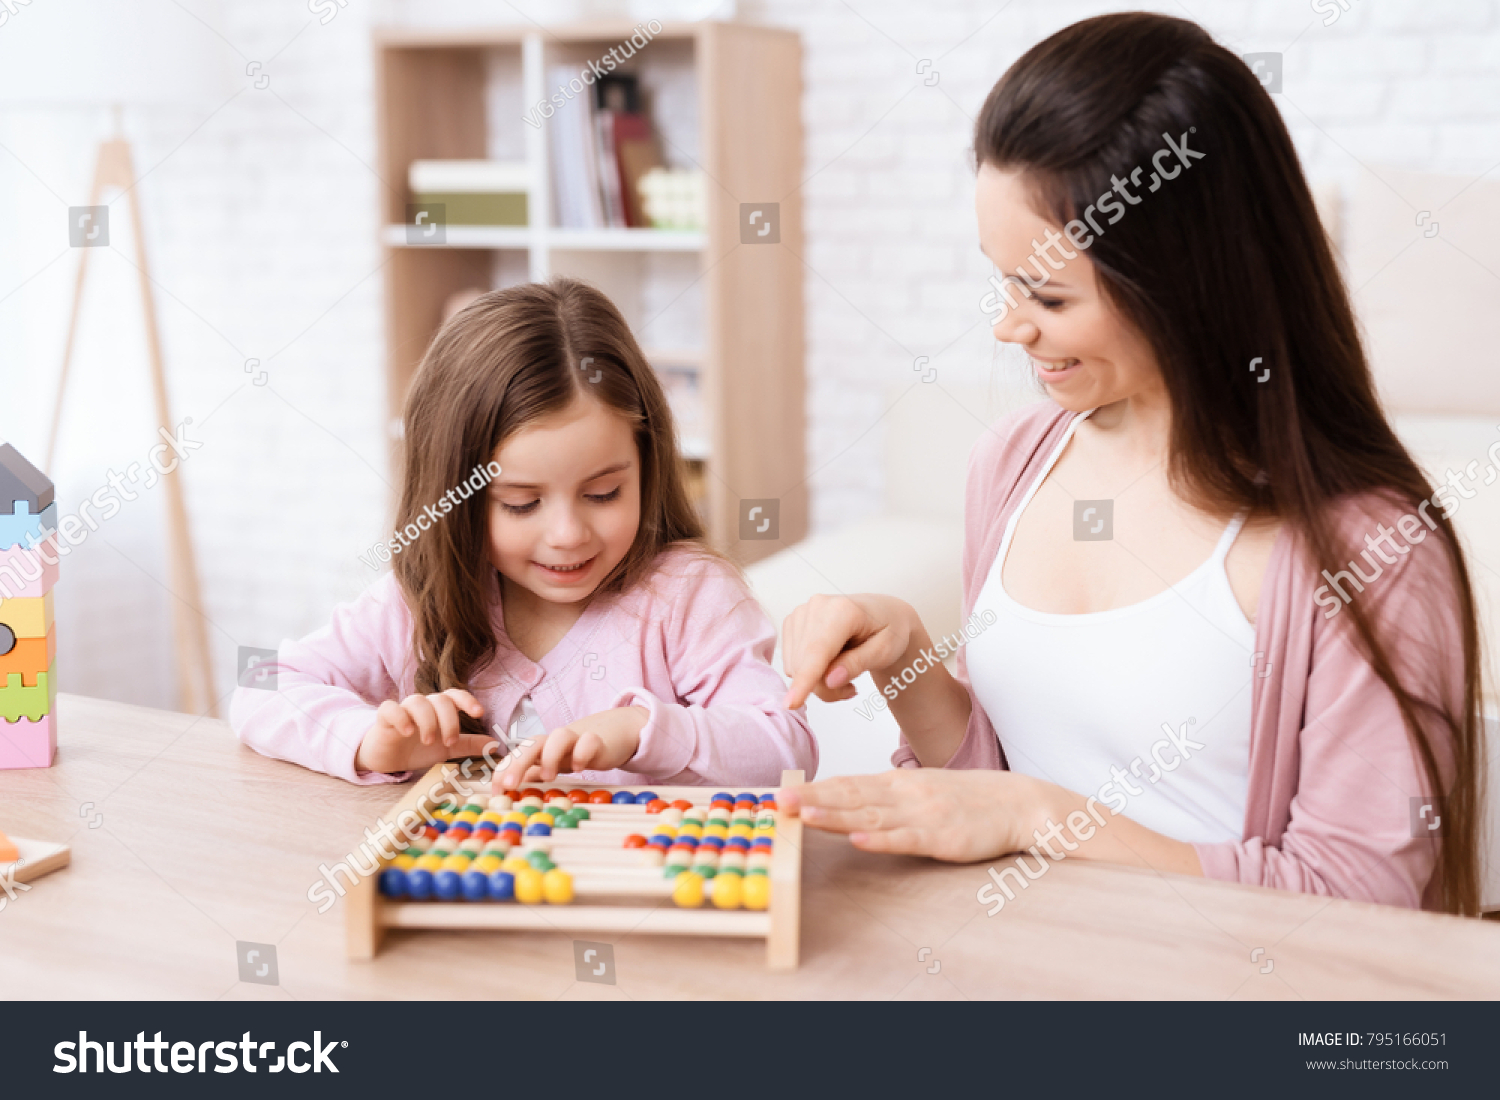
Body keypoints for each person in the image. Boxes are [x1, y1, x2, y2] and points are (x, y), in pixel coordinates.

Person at [779, 12, 1483, 914]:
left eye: (1049, 293)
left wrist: (1044, 817)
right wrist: (908, 658)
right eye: (1001, 280)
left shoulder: (1371, 550)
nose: (1009, 326)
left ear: (1183, 280)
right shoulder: (1013, 461)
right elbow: (988, 789)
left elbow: (1359, 897)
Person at [232, 277, 816, 789]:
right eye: (520, 504)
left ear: (647, 464)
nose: (567, 534)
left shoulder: (689, 595)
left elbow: (784, 749)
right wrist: (368, 739)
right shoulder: (421, 598)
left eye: (603, 494)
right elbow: (258, 681)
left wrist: (644, 730)